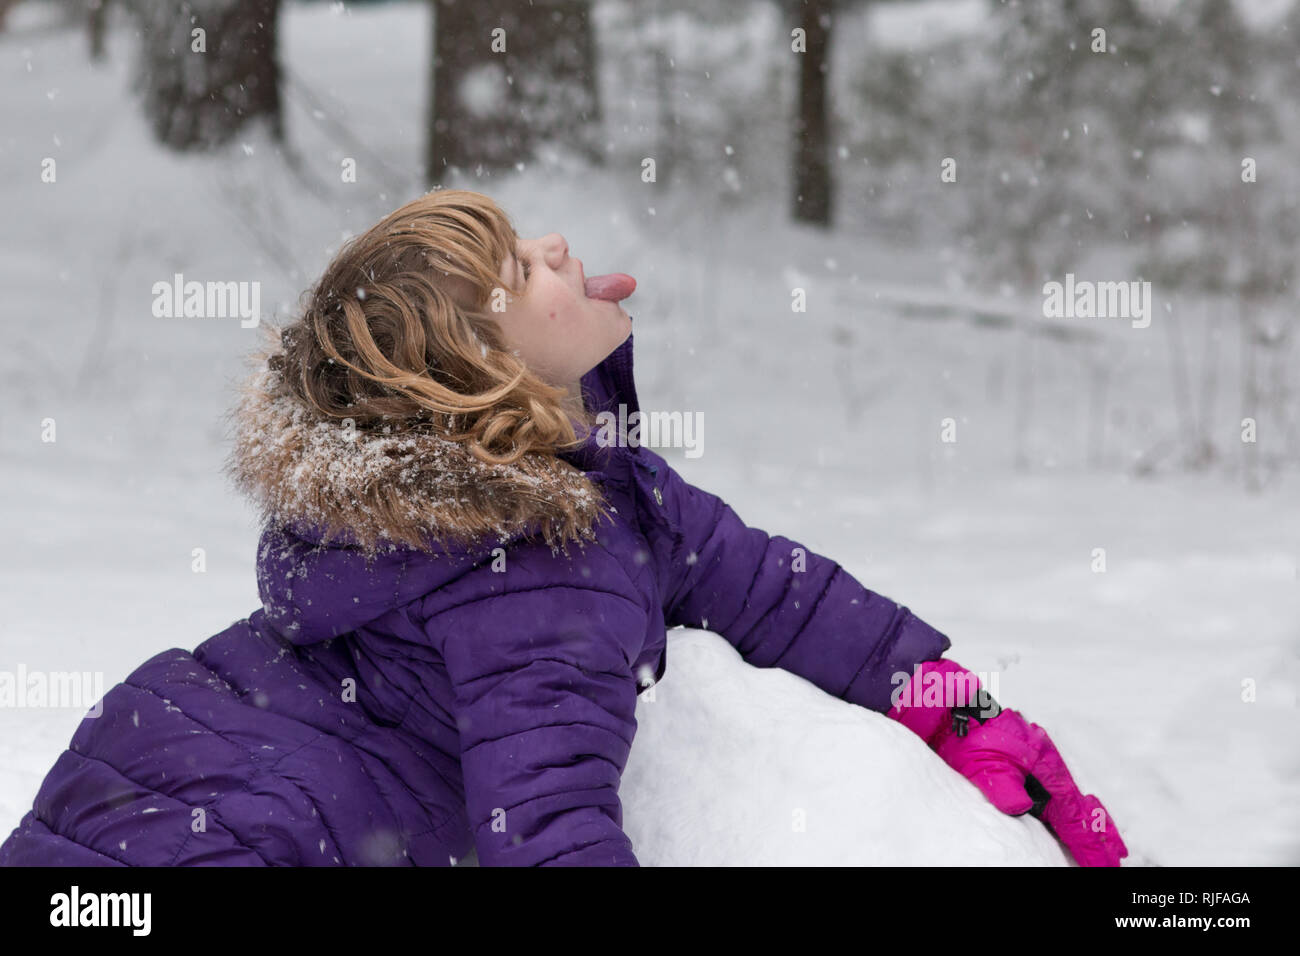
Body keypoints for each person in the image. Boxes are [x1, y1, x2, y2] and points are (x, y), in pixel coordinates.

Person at [0, 189, 1126, 867]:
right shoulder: (534, 577)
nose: (550, 247)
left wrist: (956, 707)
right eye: (517, 272)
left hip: (166, 763)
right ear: (489, 381)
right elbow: (544, 826)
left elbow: (783, 592)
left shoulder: (599, 493)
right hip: (244, 830)